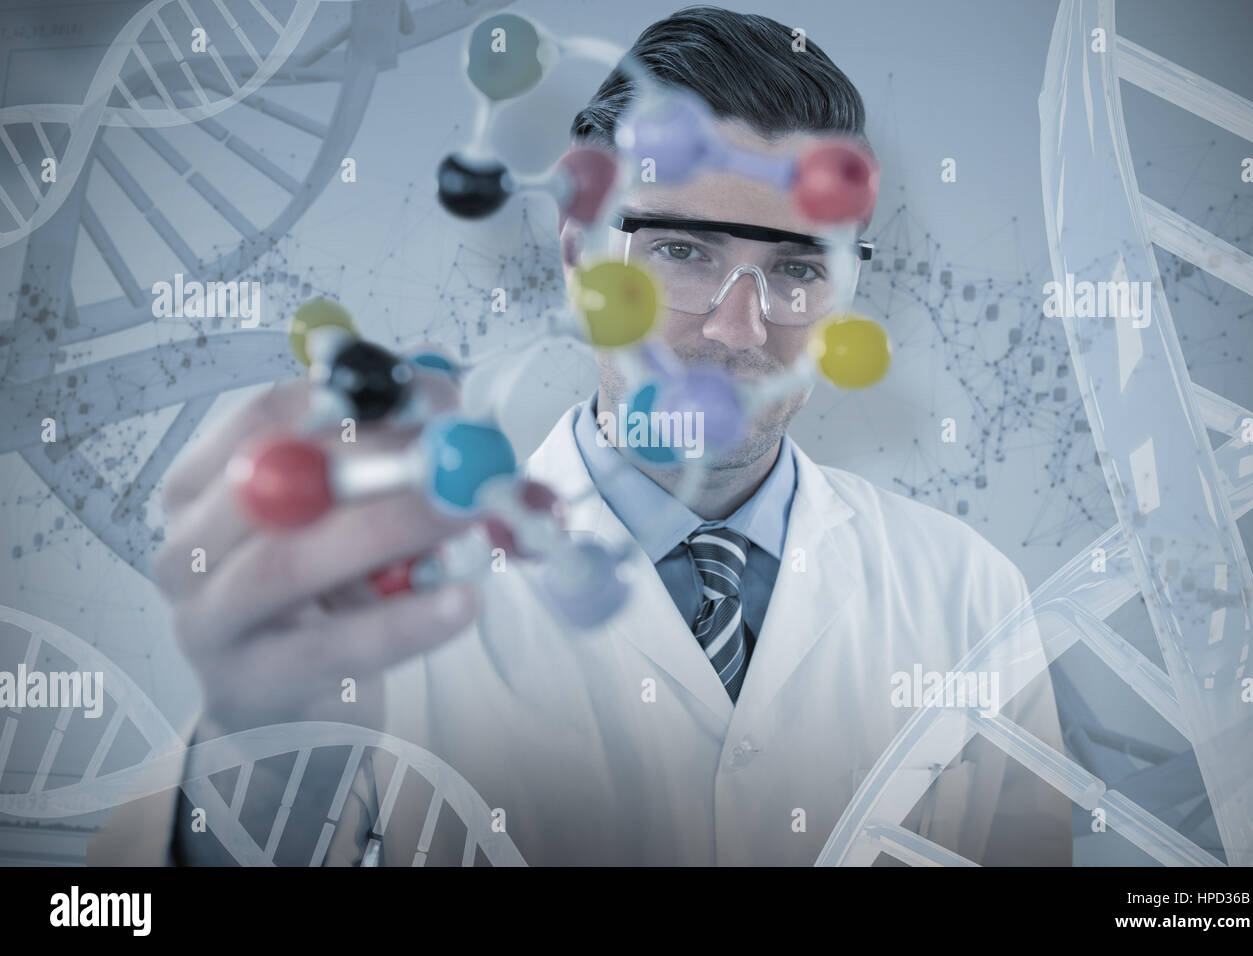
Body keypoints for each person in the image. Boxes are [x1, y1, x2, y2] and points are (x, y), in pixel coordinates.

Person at [89, 6, 1071, 867]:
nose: (736, 331)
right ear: (573, 253)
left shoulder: (969, 593)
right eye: (681, 252)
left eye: (796, 273)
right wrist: (263, 764)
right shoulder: (389, 587)